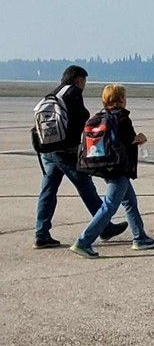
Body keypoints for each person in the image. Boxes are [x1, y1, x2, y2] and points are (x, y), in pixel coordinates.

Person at [33, 65, 127, 249]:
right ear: (78, 79)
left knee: (48, 191)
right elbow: (80, 119)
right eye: (84, 80)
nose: (84, 84)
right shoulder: (73, 92)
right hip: (65, 152)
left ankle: (41, 233)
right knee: (86, 187)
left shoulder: (53, 94)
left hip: (47, 150)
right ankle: (105, 227)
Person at [70, 84, 154, 258]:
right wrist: (141, 138)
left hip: (104, 166)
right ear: (120, 99)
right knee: (110, 206)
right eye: (124, 96)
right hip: (119, 168)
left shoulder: (99, 117)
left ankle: (139, 237)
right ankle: (83, 241)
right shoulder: (122, 118)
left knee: (130, 202)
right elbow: (129, 140)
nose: (126, 100)